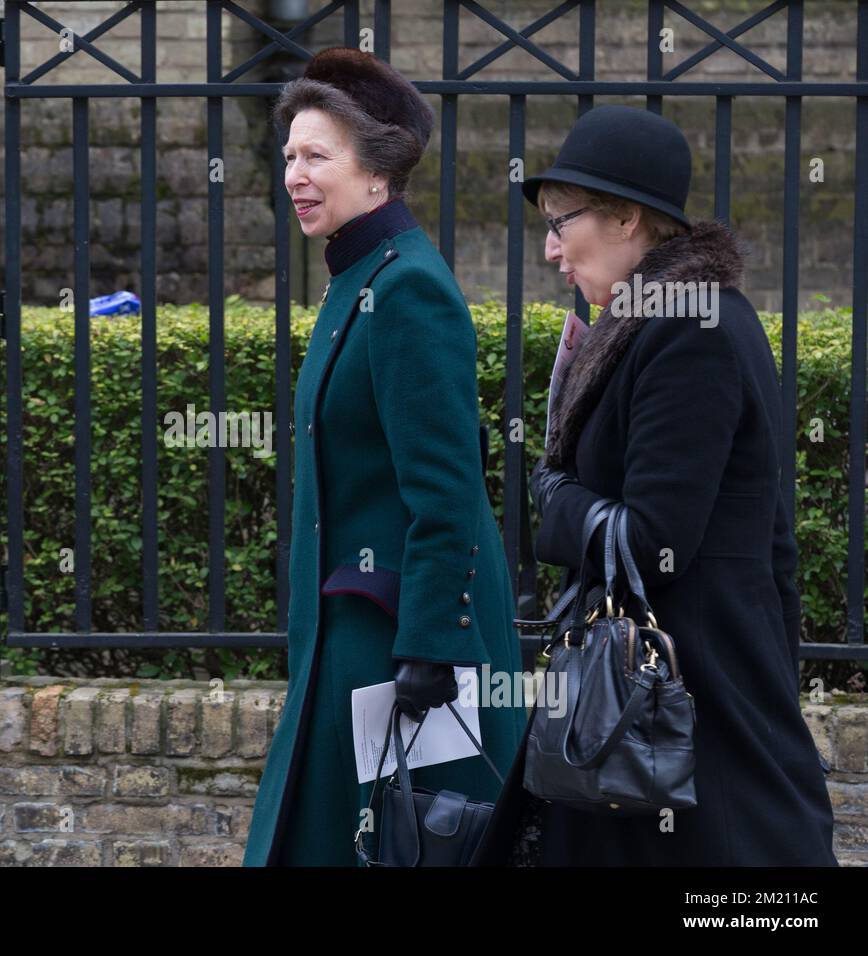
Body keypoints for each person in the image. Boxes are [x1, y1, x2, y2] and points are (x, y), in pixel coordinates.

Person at [473, 104, 838, 866]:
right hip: (663, 698)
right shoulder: (657, 320)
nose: (550, 249)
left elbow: (653, 540)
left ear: (628, 219)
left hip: (692, 696)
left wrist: (554, 490)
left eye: (561, 222)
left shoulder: (690, 328)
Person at [242, 47, 527, 867]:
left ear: (379, 172)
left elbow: (445, 490)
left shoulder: (409, 290)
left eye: (316, 156)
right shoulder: (357, 276)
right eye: (289, 155)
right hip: (355, 638)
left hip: (398, 651)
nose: (294, 174)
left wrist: (430, 648)